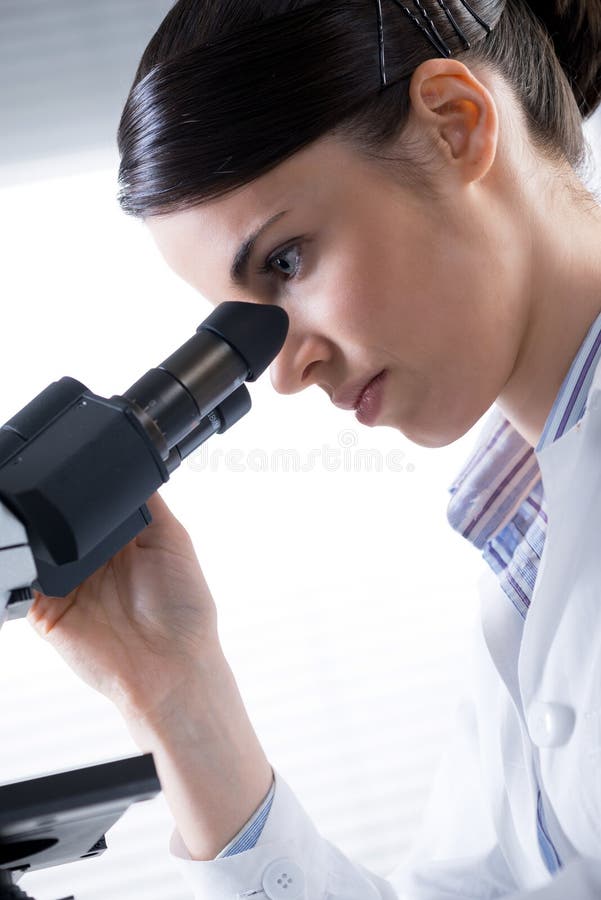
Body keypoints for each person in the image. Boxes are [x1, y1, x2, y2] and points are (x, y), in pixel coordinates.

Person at [27, 0, 601, 897]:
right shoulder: (529, 526)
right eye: (243, 324)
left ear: (457, 124)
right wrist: (175, 691)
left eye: (286, 262)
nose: (285, 372)